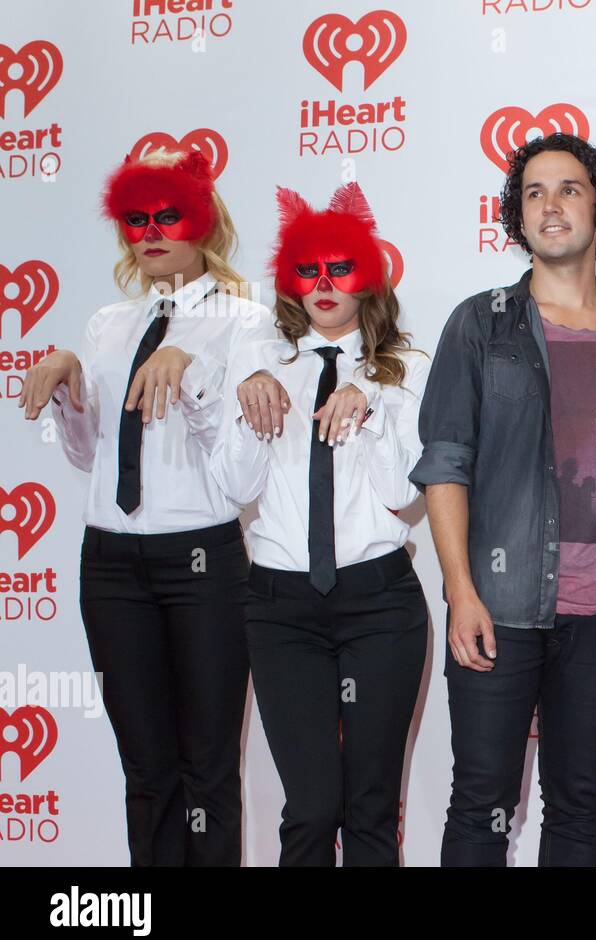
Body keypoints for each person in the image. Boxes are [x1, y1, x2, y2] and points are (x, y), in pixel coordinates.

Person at [413, 133, 596, 866]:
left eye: (569, 189)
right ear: (517, 217)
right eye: (533, 192)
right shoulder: (479, 322)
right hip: (499, 605)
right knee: (483, 800)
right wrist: (461, 592)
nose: (550, 206)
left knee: (578, 804)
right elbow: (445, 464)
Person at [17, 149, 275, 865]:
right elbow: (87, 455)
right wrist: (70, 390)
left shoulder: (245, 322)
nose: (152, 231)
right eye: (137, 219)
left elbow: (241, 480)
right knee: (147, 773)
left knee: (209, 771)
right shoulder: (106, 325)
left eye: (170, 215)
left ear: (205, 223)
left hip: (203, 561)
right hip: (109, 564)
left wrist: (189, 375)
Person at [210, 182, 429, 866]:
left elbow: (401, 493)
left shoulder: (405, 372)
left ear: (368, 276)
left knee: (369, 808)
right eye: (310, 269)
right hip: (281, 608)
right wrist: (249, 410)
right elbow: (232, 487)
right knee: (308, 808)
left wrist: (367, 408)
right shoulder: (257, 365)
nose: (325, 283)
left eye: (341, 267)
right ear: (289, 280)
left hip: (380, 604)